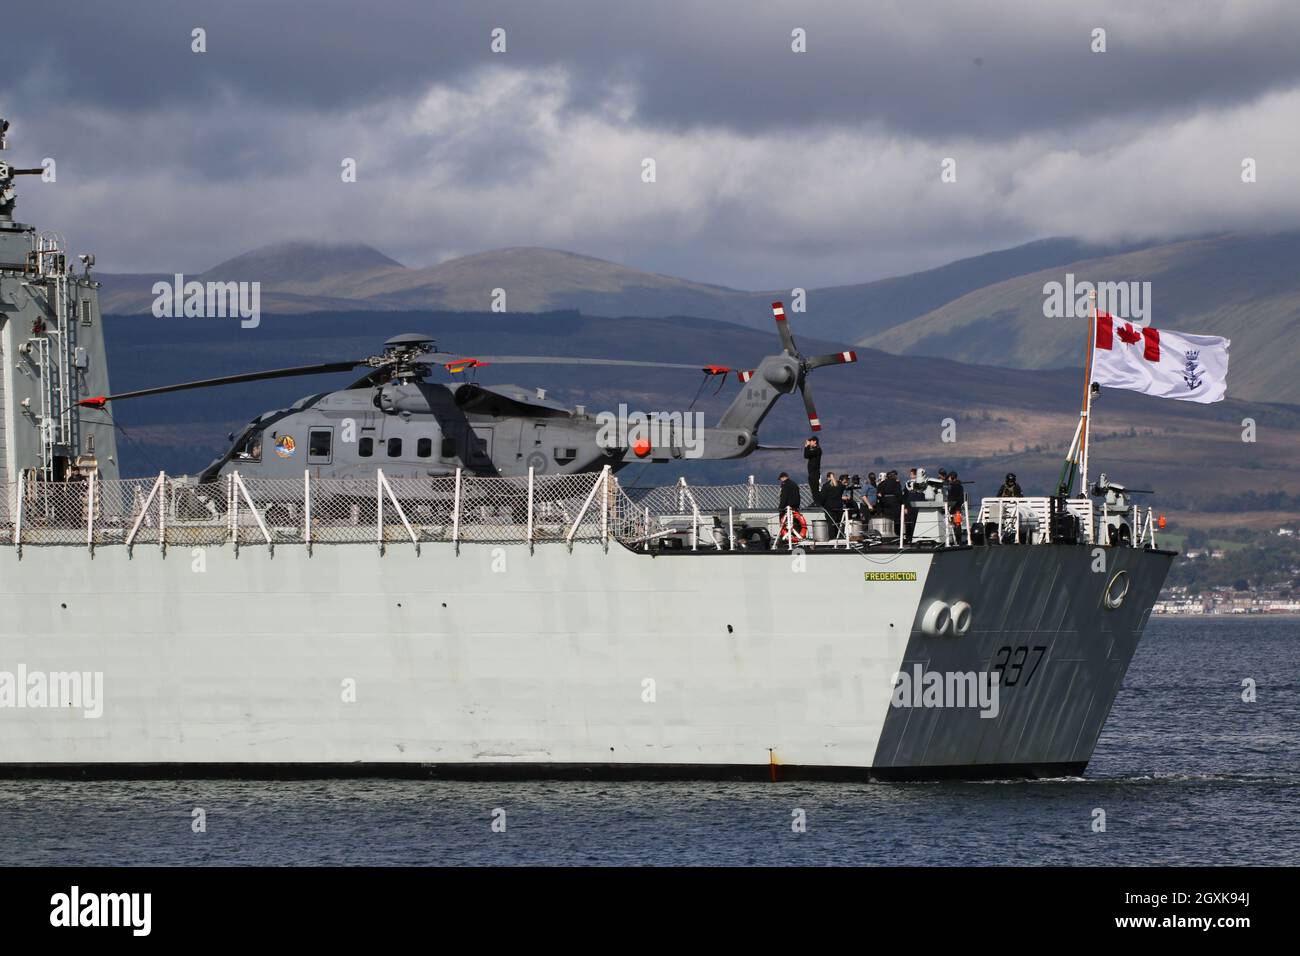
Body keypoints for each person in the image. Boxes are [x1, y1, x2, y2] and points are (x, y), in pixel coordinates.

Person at [874, 469, 904, 538]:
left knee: (887, 518)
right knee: (896, 519)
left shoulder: (881, 484)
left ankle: (888, 533)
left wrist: (879, 506)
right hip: (895, 502)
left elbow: (878, 495)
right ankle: (897, 534)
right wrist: (902, 503)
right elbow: (898, 494)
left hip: (884, 502)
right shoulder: (896, 483)